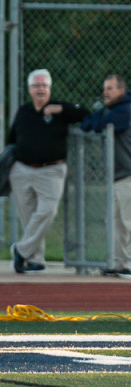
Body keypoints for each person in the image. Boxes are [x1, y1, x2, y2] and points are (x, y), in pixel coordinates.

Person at [7, 69, 87, 274]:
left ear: (50, 88)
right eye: (36, 86)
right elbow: (12, 139)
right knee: (28, 216)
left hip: (51, 170)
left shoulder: (60, 110)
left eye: (44, 85)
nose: (41, 89)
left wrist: (61, 109)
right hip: (22, 170)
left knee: (47, 211)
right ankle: (36, 260)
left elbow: (85, 114)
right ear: (30, 89)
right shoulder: (24, 111)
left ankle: (21, 250)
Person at [81, 74, 131, 280]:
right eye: (105, 88)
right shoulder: (111, 109)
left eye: (110, 88)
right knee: (115, 221)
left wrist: (96, 120)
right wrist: (95, 119)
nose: (106, 92)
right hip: (117, 176)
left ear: (121, 91)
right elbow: (89, 122)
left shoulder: (126, 109)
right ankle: (118, 263)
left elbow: (104, 123)